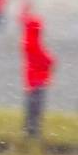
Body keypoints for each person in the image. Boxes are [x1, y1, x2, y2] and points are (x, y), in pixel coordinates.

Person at [21, 11, 53, 141]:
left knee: (32, 108)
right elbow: (44, 58)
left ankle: (31, 132)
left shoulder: (29, 41)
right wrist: (50, 61)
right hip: (37, 81)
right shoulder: (32, 43)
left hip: (33, 81)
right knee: (35, 109)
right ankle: (32, 133)